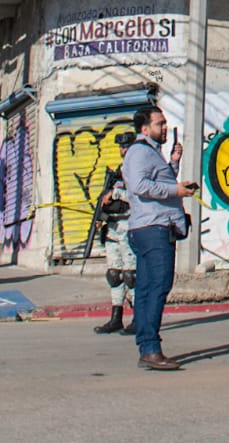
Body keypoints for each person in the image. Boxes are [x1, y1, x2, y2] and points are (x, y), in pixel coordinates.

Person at [121, 105, 199, 370]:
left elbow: (158, 180)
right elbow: (140, 185)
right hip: (153, 229)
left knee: (146, 288)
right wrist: (175, 190)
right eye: (159, 124)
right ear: (145, 129)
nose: (164, 127)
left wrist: (174, 166)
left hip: (152, 227)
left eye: (165, 123)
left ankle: (146, 346)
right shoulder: (139, 152)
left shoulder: (150, 153)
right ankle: (151, 347)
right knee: (158, 286)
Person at [93, 142, 135, 335]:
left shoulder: (137, 171)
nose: (123, 150)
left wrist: (116, 194)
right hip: (112, 226)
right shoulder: (116, 174)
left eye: (127, 146)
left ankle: (138, 318)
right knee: (114, 274)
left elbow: (139, 197)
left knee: (131, 275)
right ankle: (116, 317)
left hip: (129, 225)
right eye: (121, 147)